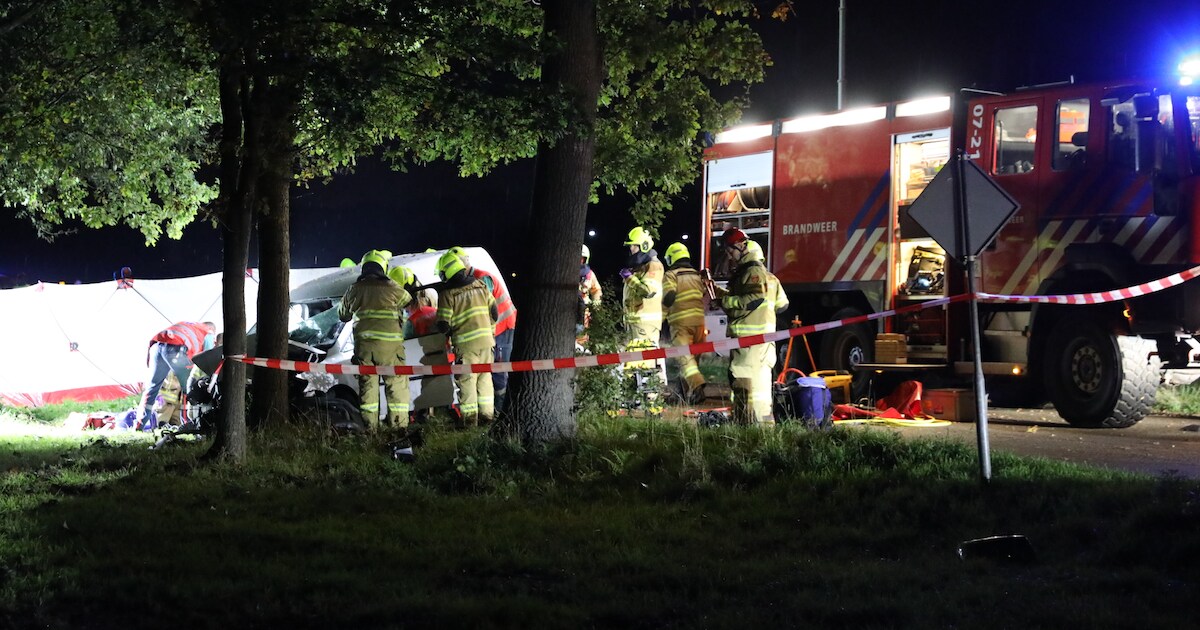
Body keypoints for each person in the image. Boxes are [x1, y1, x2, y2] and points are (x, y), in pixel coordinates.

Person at [338, 250, 413, 442]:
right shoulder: (392, 287)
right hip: (391, 350)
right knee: (396, 387)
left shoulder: (354, 289)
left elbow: (343, 315)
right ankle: (398, 430)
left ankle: (371, 431)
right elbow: (409, 301)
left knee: (368, 389)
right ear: (382, 268)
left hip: (365, 349)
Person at [716, 229, 789, 425]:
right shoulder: (769, 276)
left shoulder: (752, 272)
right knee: (761, 390)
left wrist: (726, 302)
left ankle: (746, 429)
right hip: (763, 344)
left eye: (730, 251)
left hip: (750, 345)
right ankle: (764, 433)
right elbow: (783, 305)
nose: (729, 256)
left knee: (744, 384)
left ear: (741, 246)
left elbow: (753, 299)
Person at [448, 246, 516, 413]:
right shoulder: (475, 279)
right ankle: (491, 410)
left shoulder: (482, 278)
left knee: (498, 373)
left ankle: (502, 410)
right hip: (493, 331)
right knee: (489, 373)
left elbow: (487, 309)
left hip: (502, 328)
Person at [436, 251, 498, 428]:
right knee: (485, 379)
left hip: (466, 346)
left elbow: (443, 326)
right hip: (487, 344)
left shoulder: (447, 295)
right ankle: (487, 419)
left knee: (467, 382)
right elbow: (494, 313)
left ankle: (470, 423)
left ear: (446, 272)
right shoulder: (480, 286)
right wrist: (487, 331)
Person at [134, 320, 217, 430]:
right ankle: (192, 426)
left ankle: (139, 425)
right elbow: (207, 359)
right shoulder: (208, 333)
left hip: (157, 346)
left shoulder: (191, 326)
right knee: (191, 389)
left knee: (152, 388)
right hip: (176, 350)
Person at [620, 226, 665, 406]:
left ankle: (652, 403)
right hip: (636, 324)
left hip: (645, 325)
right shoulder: (640, 266)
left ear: (644, 245)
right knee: (634, 363)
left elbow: (648, 291)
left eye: (634, 246)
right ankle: (635, 400)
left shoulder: (653, 265)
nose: (631, 249)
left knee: (646, 364)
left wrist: (629, 278)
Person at [661, 241, 708, 404]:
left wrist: (660, 316)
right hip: (700, 323)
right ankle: (683, 394)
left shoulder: (671, 275)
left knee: (685, 359)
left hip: (681, 323)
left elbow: (669, 296)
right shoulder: (696, 275)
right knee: (692, 360)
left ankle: (698, 387)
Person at [577, 244, 602, 343]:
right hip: (567, 309)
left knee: (582, 337)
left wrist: (596, 305)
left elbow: (596, 290)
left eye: (582, 258)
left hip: (584, 312)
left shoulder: (589, 274)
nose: (579, 260)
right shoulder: (565, 272)